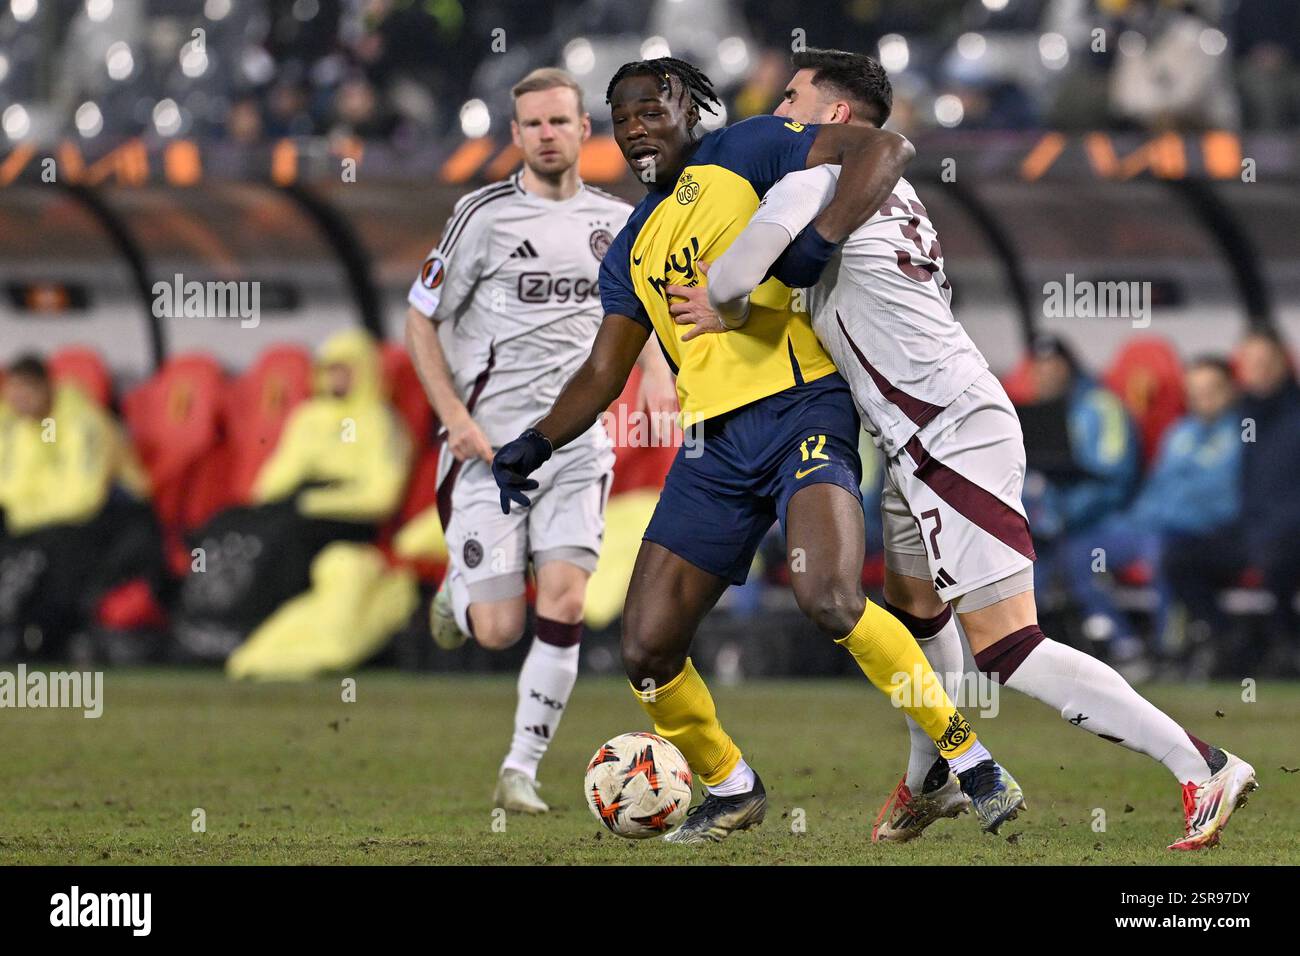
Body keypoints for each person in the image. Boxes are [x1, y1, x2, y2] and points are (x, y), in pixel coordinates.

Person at [684, 48, 1255, 850]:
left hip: (948, 431)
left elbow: (729, 276)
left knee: (1008, 647)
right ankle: (932, 775)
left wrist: (722, 298)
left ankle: (1201, 763)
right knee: (918, 612)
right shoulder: (891, 188)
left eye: (792, 96)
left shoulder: (814, 179)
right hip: (917, 433)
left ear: (837, 115)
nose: (777, 111)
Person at [492, 56, 1025, 845]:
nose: (636, 125)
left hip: (803, 408)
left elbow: (882, 149)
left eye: (653, 107)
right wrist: (534, 441)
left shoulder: (749, 146)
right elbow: (605, 369)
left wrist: (818, 243)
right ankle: (730, 786)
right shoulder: (630, 244)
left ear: (693, 109)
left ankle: (969, 758)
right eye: (622, 115)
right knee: (644, 648)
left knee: (830, 598)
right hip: (711, 447)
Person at [405, 68, 672, 814]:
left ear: (585, 130)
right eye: (533, 125)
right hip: (489, 447)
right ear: (516, 135)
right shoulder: (481, 215)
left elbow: (640, 312)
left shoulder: (622, 221)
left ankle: (520, 769)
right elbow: (418, 318)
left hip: (576, 445)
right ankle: (461, 597)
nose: (548, 135)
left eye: (560, 121)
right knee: (496, 630)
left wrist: (653, 374)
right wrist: (455, 418)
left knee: (566, 598)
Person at [1062, 357, 1241, 662]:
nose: (1203, 399)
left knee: (1165, 555)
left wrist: (1164, 518)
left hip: (1194, 532)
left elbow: (1225, 499)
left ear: (1231, 390)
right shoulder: (1179, 433)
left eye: (1212, 389)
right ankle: (1124, 646)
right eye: (1195, 392)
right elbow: (1157, 485)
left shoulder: (1244, 434)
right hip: (1146, 526)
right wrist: (1140, 517)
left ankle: (1167, 649)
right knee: (1079, 552)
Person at [0, 355, 159, 657]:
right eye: (12, 392)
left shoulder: (83, 422)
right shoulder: (17, 426)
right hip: (46, 521)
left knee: (58, 548)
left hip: (118, 518)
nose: (17, 401)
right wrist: (28, 517)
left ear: (46, 388)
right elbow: (10, 489)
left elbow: (84, 498)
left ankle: (47, 635)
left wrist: (30, 515)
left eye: (25, 392)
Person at [1164, 330, 1300, 676]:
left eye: (1265, 362)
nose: (1259, 371)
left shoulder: (1292, 415)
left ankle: (1285, 646)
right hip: (1248, 531)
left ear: (1283, 363)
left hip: (1287, 532)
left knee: (1277, 559)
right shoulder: (1241, 419)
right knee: (1180, 558)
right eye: (1251, 364)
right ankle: (1228, 639)